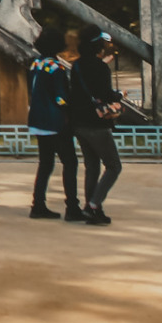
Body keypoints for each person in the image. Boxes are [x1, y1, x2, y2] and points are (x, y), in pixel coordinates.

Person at [69, 24, 125, 226]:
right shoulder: (100, 67)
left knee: (91, 166)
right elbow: (105, 94)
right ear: (98, 45)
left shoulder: (76, 65)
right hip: (96, 124)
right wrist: (119, 95)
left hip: (79, 122)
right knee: (113, 166)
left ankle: (91, 207)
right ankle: (94, 204)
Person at [26, 25, 82, 221]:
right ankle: (72, 207)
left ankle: (38, 204)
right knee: (70, 162)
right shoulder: (56, 68)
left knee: (46, 163)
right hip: (55, 121)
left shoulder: (35, 64)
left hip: (37, 120)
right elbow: (61, 98)